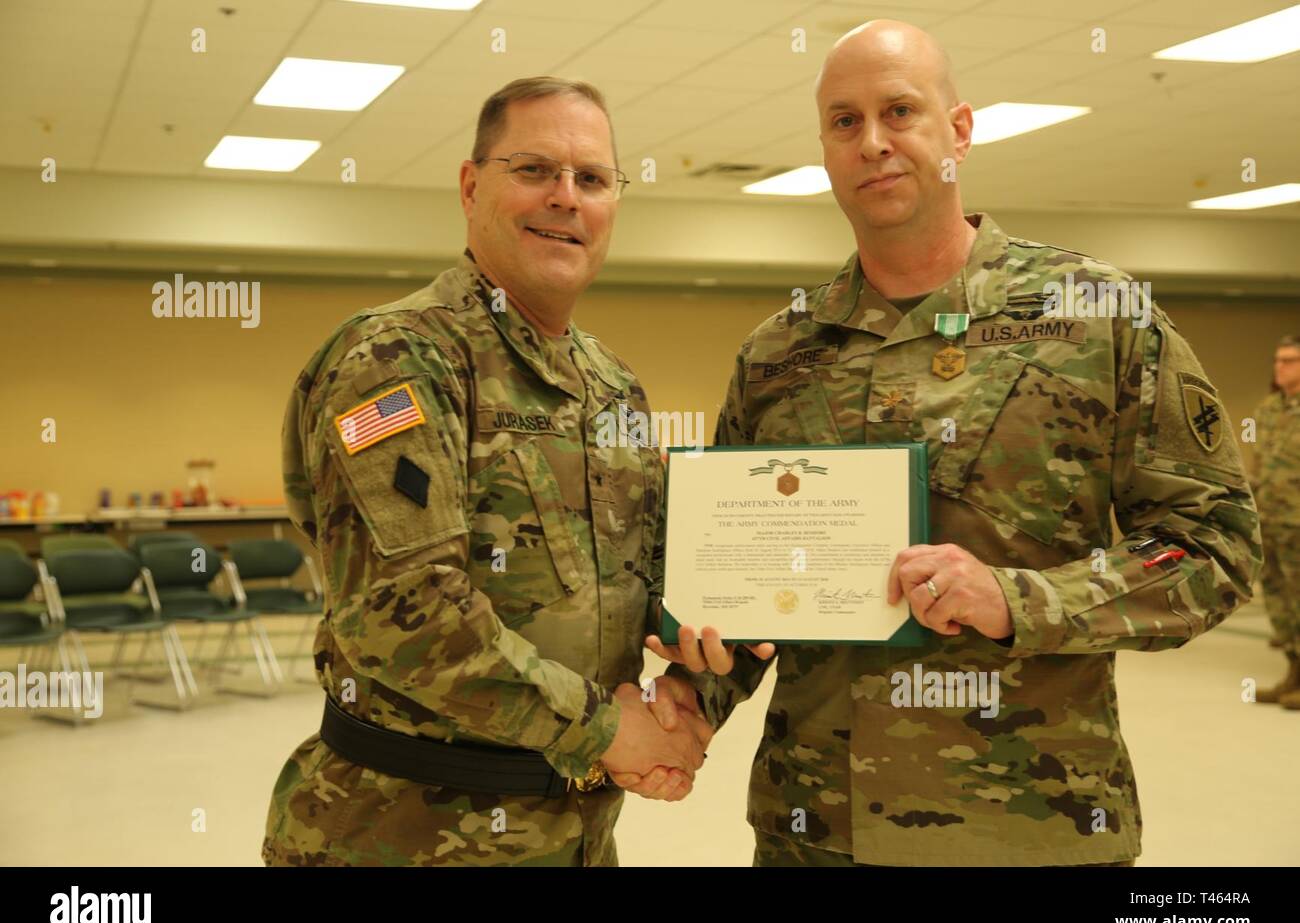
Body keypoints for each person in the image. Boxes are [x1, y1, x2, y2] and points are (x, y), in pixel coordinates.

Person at [650, 20, 1261, 866]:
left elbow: (1217, 550)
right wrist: (691, 698)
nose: (872, 143)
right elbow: (746, 602)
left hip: (1031, 830)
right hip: (815, 831)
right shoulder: (777, 355)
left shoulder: (1097, 317)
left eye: (899, 111)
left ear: (959, 130)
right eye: (843, 122)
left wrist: (1018, 601)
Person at [262, 76, 711, 868]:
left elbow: (648, 579)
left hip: (573, 835)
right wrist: (609, 731)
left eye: (593, 179)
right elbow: (404, 617)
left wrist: (699, 669)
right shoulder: (397, 360)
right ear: (472, 188)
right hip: (402, 836)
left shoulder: (612, 385)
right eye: (535, 169)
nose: (566, 198)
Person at [1250, 335, 1300, 707]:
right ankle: (1293, 672)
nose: (1280, 366)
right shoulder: (1267, 410)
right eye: (1278, 360)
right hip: (1271, 518)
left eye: (1289, 360)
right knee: (1279, 602)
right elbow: (1258, 465)